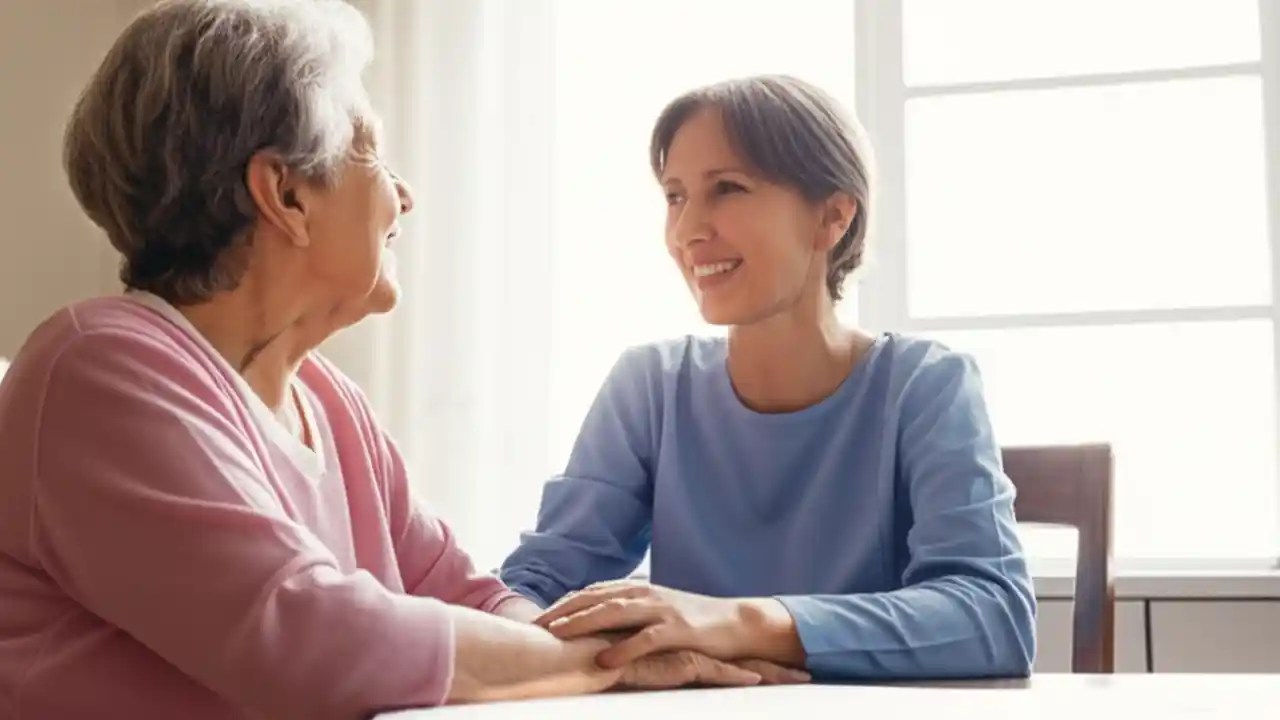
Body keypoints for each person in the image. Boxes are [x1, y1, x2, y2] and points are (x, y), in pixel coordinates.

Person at [0, 3, 800, 718]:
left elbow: (459, 592)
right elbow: (307, 633)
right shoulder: (100, 366)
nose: (404, 196)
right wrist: (605, 667)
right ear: (284, 195)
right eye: (372, 153)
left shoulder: (328, 400)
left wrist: (623, 647)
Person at [501, 75, 1037, 680]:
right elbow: (530, 590)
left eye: (727, 188)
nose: (688, 231)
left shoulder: (927, 386)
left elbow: (994, 616)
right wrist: (627, 658)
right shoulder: (648, 387)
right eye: (675, 197)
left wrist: (738, 624)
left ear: (832, 217)